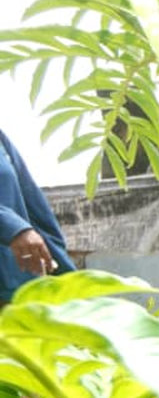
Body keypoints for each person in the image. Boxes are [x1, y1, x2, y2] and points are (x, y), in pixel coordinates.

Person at [1, 127, 76, 305]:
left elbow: (34, 208)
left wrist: (66, 276)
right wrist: (12, 228)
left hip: (19, 292)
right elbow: (22, 231)